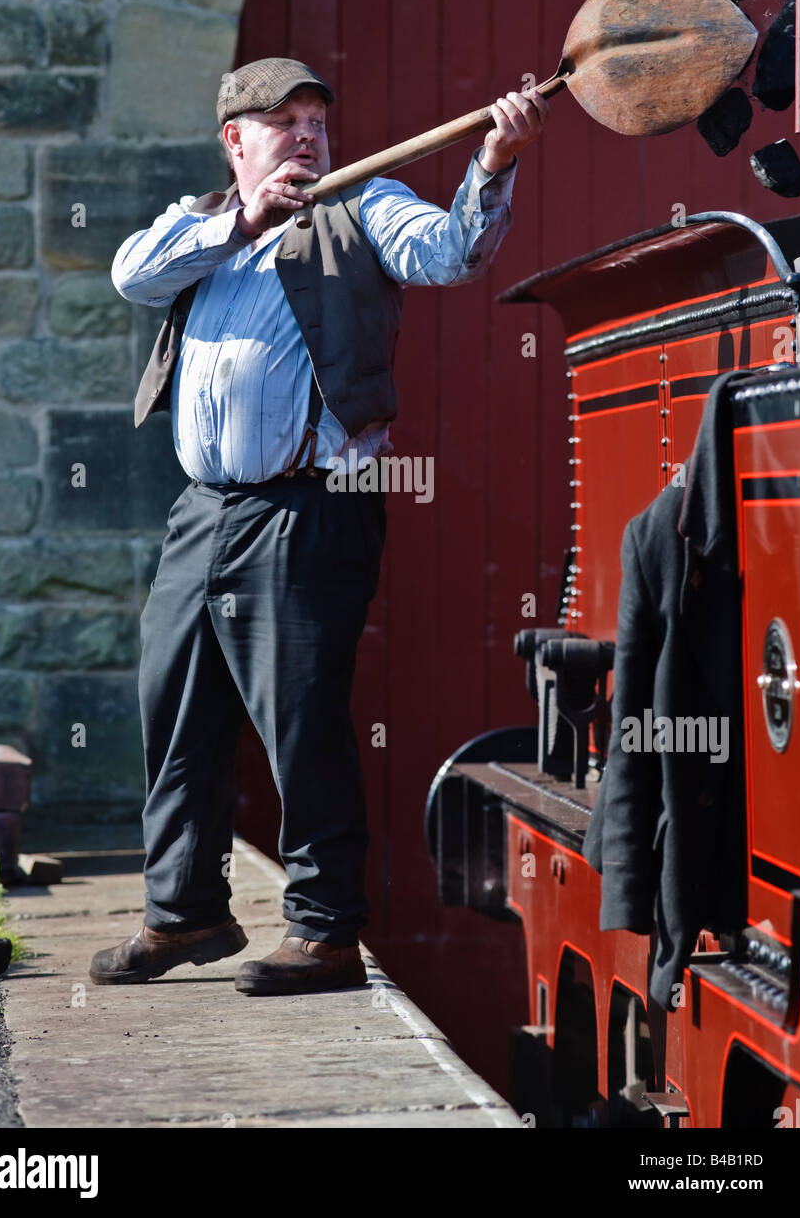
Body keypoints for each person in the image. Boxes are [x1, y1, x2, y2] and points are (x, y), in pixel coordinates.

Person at [89, 57, 548, 994]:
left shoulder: (365, 204)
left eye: (316, 121)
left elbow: (451, 252)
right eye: (282, 121)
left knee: (299, 722)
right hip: (203, 510)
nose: (306, 136)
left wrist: (494, 160)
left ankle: (326, 932)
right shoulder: (200, 225)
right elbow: (130, 274)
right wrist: (244, 220)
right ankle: (183, 915)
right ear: (236, 139)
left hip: (309, 506)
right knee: (173, 713)